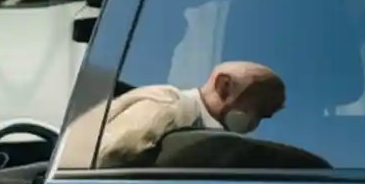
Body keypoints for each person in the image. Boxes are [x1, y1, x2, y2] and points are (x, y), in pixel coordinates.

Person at [96, 60, 285, 168]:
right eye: (258, 109)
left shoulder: (206, 126)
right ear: (224, 86)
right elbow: (109, 160)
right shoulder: (168, 108)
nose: (256, 121)